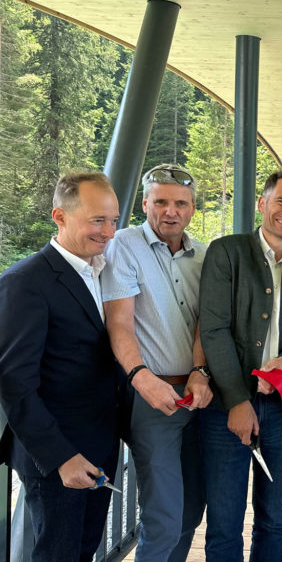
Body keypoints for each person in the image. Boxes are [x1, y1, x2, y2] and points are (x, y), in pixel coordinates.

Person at [199, 168, 282, 562]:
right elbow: (214, 329)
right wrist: (238, 400)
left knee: (273, 518)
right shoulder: (226, 253)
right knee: (224, 521)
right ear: (263, 203)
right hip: (227, 407)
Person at [0, 172, 120, 561]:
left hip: (100, 446)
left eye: (114, 220)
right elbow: (15, 383)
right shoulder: (25, 282)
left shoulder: (102, 273)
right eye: (97, 220)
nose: (108, 232)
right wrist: (60, 458)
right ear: (60, 216)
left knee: (82, 552)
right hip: (58, 457)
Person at [102, 164, 210, 561]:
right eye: (161, 201)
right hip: (152, 395)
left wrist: (200, 371)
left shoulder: (204, 255)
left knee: (191, 511)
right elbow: (120, 324)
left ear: (193, 208)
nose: (170, 211)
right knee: (164, 514)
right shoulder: (124, 245)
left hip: (199, 395)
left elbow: (206, 323)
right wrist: (141, 377)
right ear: (145, 203)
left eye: (180, 203)